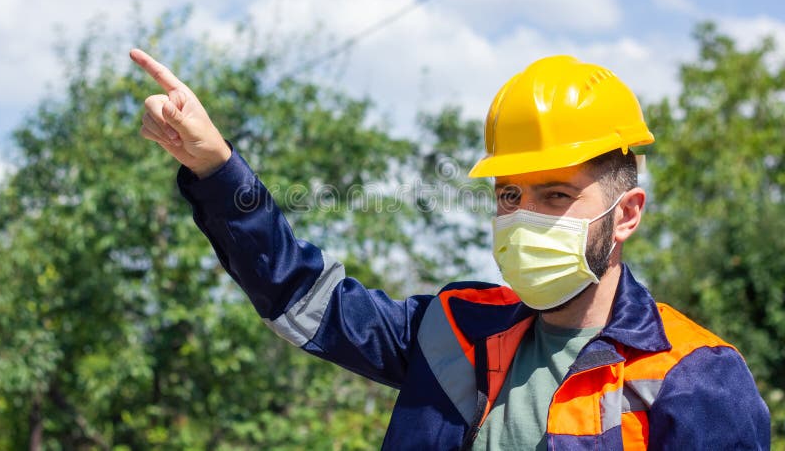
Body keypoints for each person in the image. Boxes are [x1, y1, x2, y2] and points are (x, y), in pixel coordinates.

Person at [131, 49, 770, 450]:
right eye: (509, 195)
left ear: (625, 214)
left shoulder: (692, 380)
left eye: (555, 196)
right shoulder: (455, 328)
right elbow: (299, 296)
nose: (523, 219)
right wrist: (218, 170)